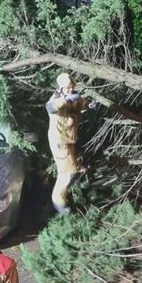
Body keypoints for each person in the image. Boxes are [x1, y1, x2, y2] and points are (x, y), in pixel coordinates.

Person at [44, 72, 96, 215]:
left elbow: (80, 104)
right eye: (67, 88)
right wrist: (65, 99)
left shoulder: (74, 96)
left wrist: (88, 104)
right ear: (60, 88)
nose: (70, 89)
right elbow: (50, 107)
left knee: (74, 169)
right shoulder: (56, 99)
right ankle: (58, 202)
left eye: (71, 86)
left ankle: (70, 194)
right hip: (59, 142)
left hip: (69, 141)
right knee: (69, 173)